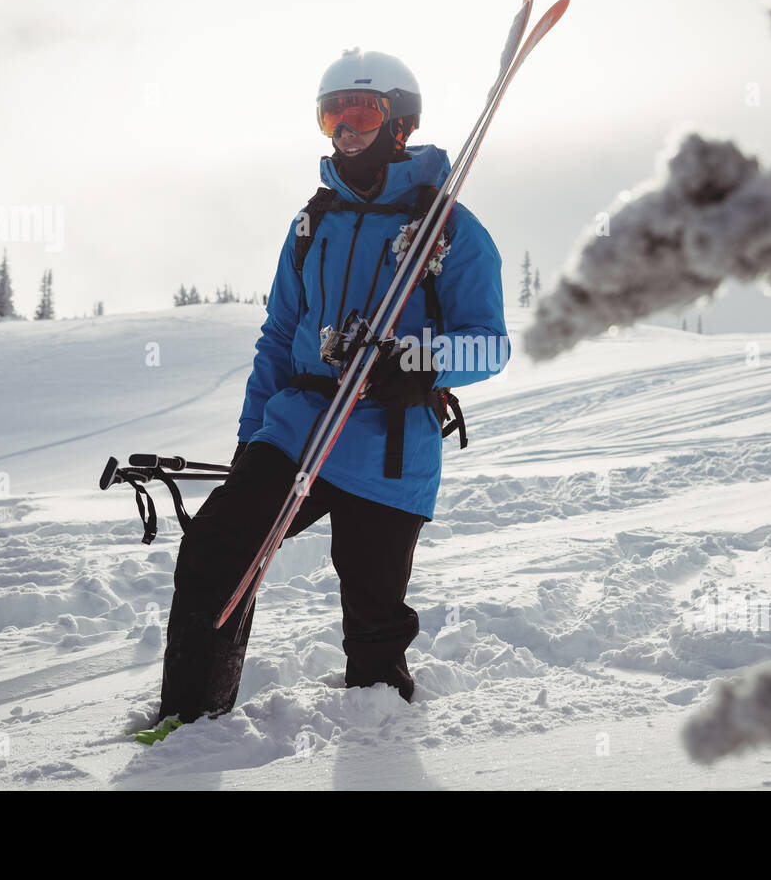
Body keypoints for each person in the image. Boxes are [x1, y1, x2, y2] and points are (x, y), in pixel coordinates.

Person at [146, 48, 510, 734]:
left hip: (389, 448)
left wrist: (422, 361)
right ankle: (190, 713)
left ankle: (381, 746)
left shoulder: (447, 228)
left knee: (374, 626)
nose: (346, 133)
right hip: (299, 427)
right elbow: (278, 335)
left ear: (399, 122)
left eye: (362, 115)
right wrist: (251, 436)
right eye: (332, 118)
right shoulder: (312, 224)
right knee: (216, 549)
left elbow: (490, 344)